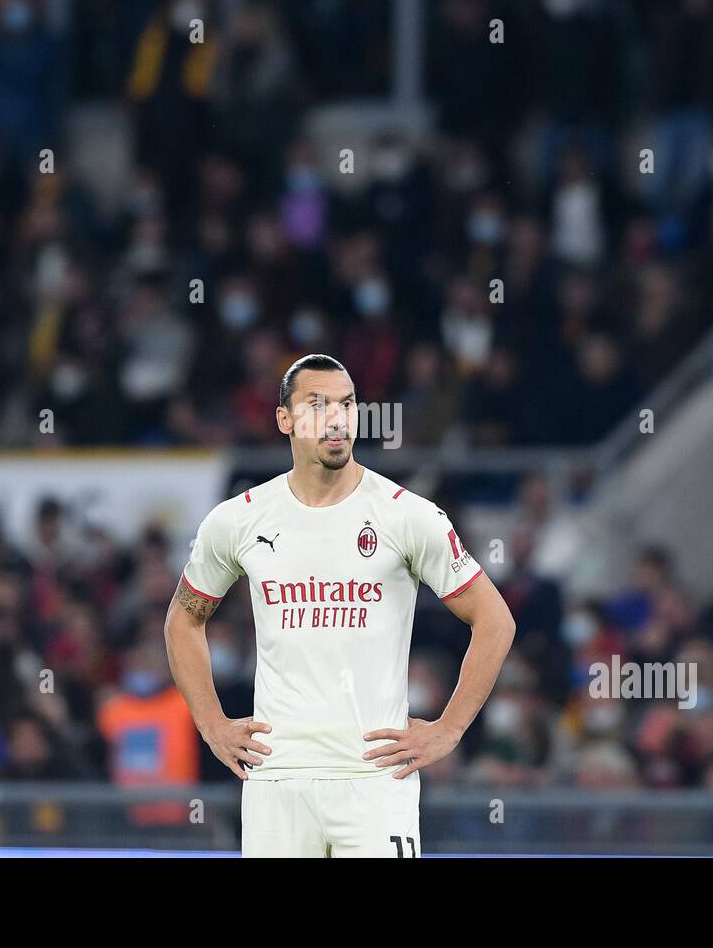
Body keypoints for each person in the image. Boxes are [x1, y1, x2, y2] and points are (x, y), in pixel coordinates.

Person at [163, 353, 516, 857]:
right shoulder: (237, 521)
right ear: (284, 419)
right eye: (317, 404)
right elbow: (183, 619)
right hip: (276, 779)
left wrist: (449, 728)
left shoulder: (407, 516)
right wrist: (212, 724)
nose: (336, 419)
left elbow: (495, 620)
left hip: (374, 778)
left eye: (347, 405)